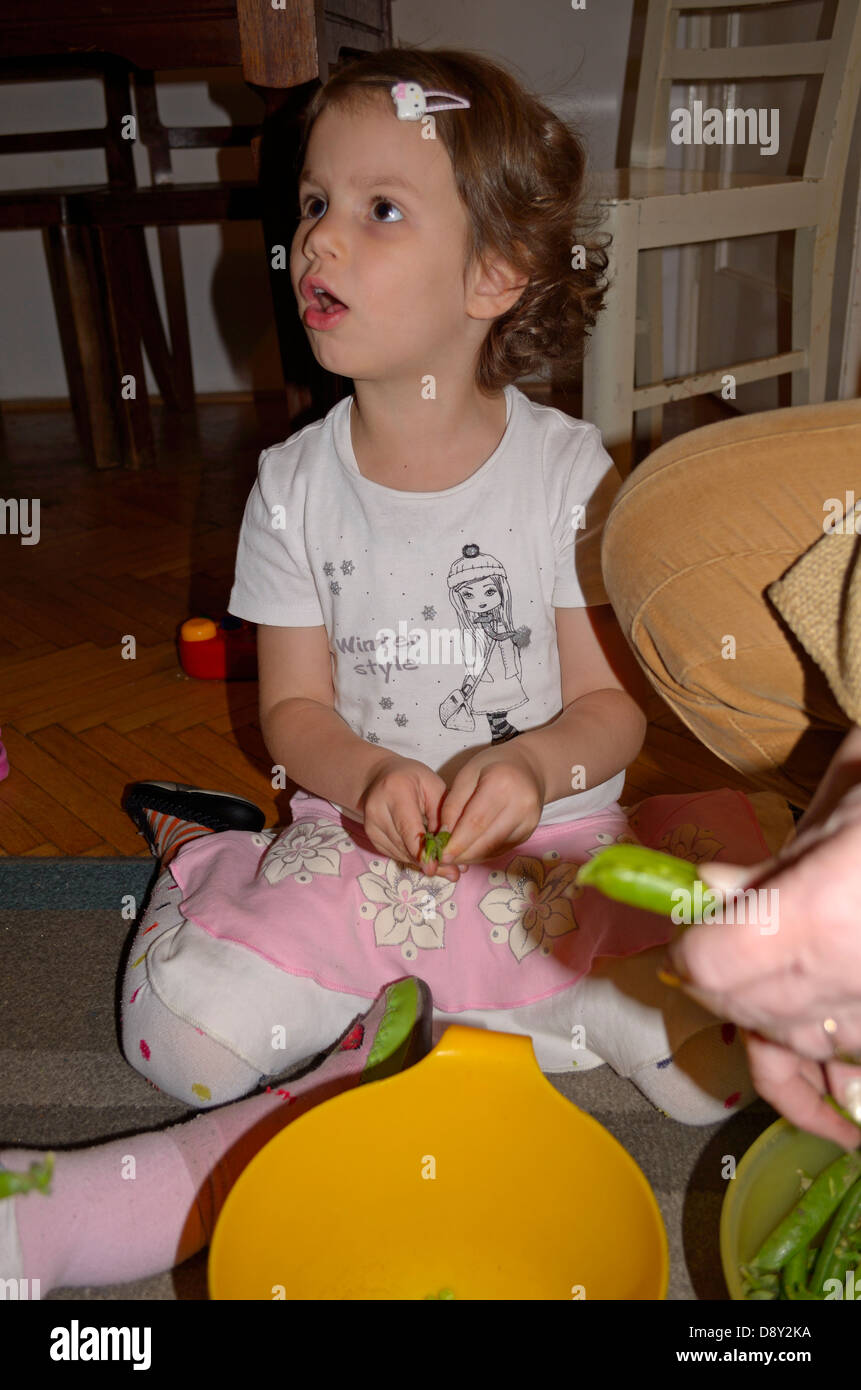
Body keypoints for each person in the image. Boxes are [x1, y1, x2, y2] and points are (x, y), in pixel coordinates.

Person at [0, 47, 803, 1294]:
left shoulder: (567, 474)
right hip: (359, 841)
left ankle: (441, 1018)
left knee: (708, 1075)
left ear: (495, 274)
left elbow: (609, 714)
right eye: (314, 204)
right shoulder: (291, 486)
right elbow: (294, 713)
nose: (318, 242)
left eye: (380, 209)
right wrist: (368, 774)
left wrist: (536, 765)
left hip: (544, 852)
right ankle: (221, 868)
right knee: (184, 1038)